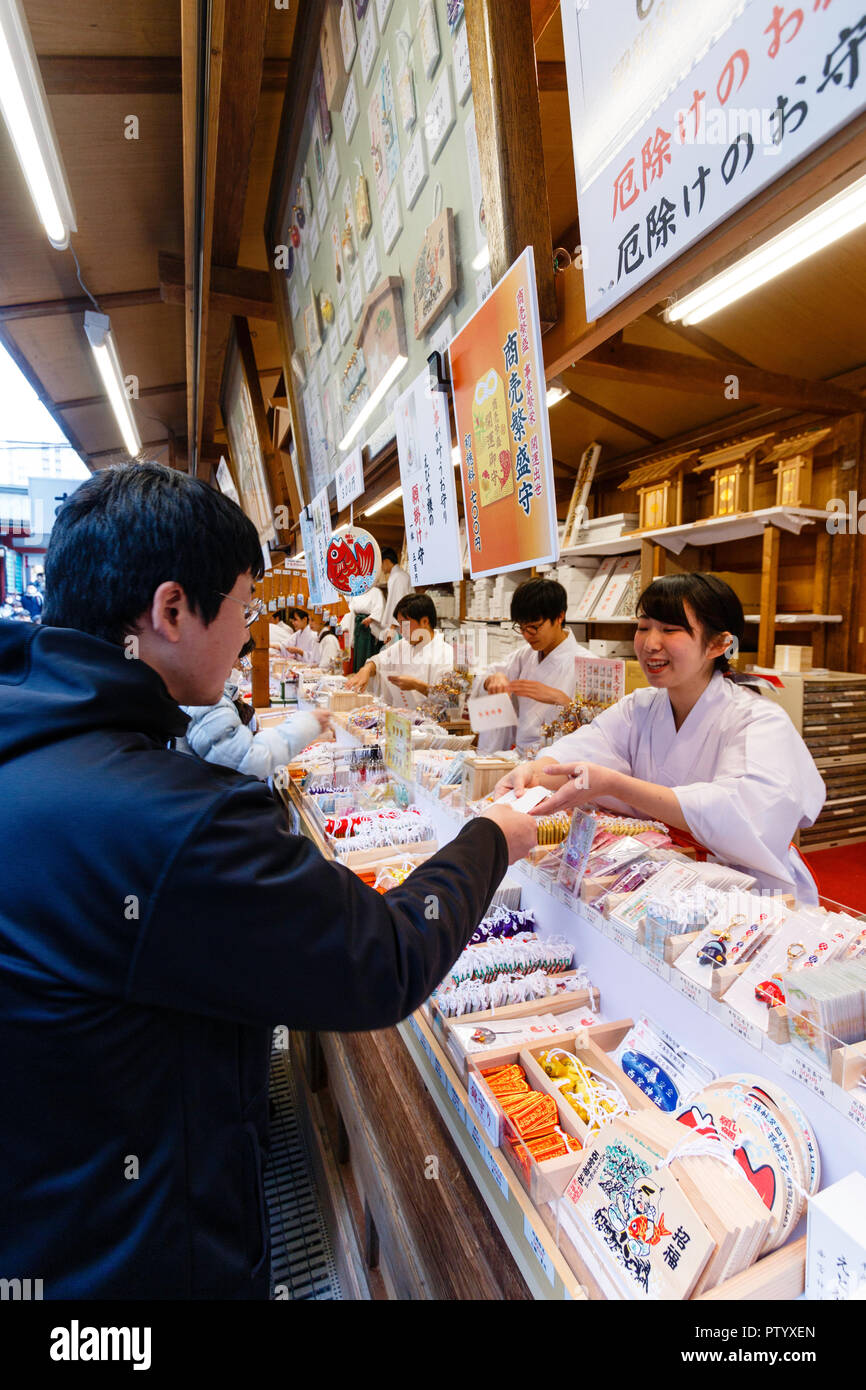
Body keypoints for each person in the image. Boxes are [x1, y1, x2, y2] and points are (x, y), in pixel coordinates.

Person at [0, 461, 536, 1299]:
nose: (252, 635)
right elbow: (380, 960)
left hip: (48, 1221)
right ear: (172, 610)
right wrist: (492, 837)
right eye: (245, 610)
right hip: (144, 1259)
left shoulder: (31, 739)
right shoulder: (172, 817)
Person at [495, 572, 826, 900]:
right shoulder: (640, 706)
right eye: (643, 627)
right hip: (661, 878)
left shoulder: (759, 719)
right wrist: (534, 773)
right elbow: (587, 746)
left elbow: (743, 814)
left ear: (718, 644)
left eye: (670, 630)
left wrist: (615, 784)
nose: (650, 643)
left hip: (744, 894)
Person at [474, 577, 593, 756]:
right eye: (521, 628)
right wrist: (493, 679)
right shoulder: (525, 655)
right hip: (520, 755)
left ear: (559, 617)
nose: (527, 635)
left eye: (534, 627)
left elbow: (599, 728)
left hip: (560, 760)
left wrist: (562, 700)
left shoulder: (587, 664)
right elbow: (485, 674)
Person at [346, 593, 454, 709]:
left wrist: (417, 686)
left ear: (424, 622)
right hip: (399, 720)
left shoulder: (446, 654)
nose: (402, 631)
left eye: (405, 624)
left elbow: (449, 701)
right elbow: (379, 661)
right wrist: (366, 669)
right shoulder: (403, 645)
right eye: (400, 625)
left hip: (427, 724)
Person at [363, 546, 410, 644]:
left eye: (381, 563)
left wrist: (393, 628)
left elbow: (398, 603)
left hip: (401, 625)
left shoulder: (398, 577)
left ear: (386, 561)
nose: (381, 567)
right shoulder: (397, 576)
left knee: (401, 653)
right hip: (400, 624)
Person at [343, 584, 384, 671]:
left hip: (370, 627)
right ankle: (358, 672)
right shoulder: (357, 591)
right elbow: (351, 609)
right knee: (359, 653)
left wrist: (371, 618)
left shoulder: (376, 591)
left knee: (368, 652)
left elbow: (380, 608)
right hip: (358, 624)